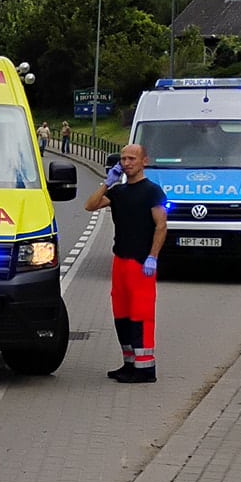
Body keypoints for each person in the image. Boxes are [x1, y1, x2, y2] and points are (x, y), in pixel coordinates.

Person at [86, 143, 167, 383]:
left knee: (140, 314)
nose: (127, 162)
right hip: (120, 260)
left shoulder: (153, 191)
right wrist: (107, 182)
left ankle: (145, 369)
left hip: (141, 262)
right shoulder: (118, 193)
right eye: (123, 159)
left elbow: (161, 226)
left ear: (144, 161)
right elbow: (90, 205)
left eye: (132, 158)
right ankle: (129, 363)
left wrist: (153, 256)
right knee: (121, 314)